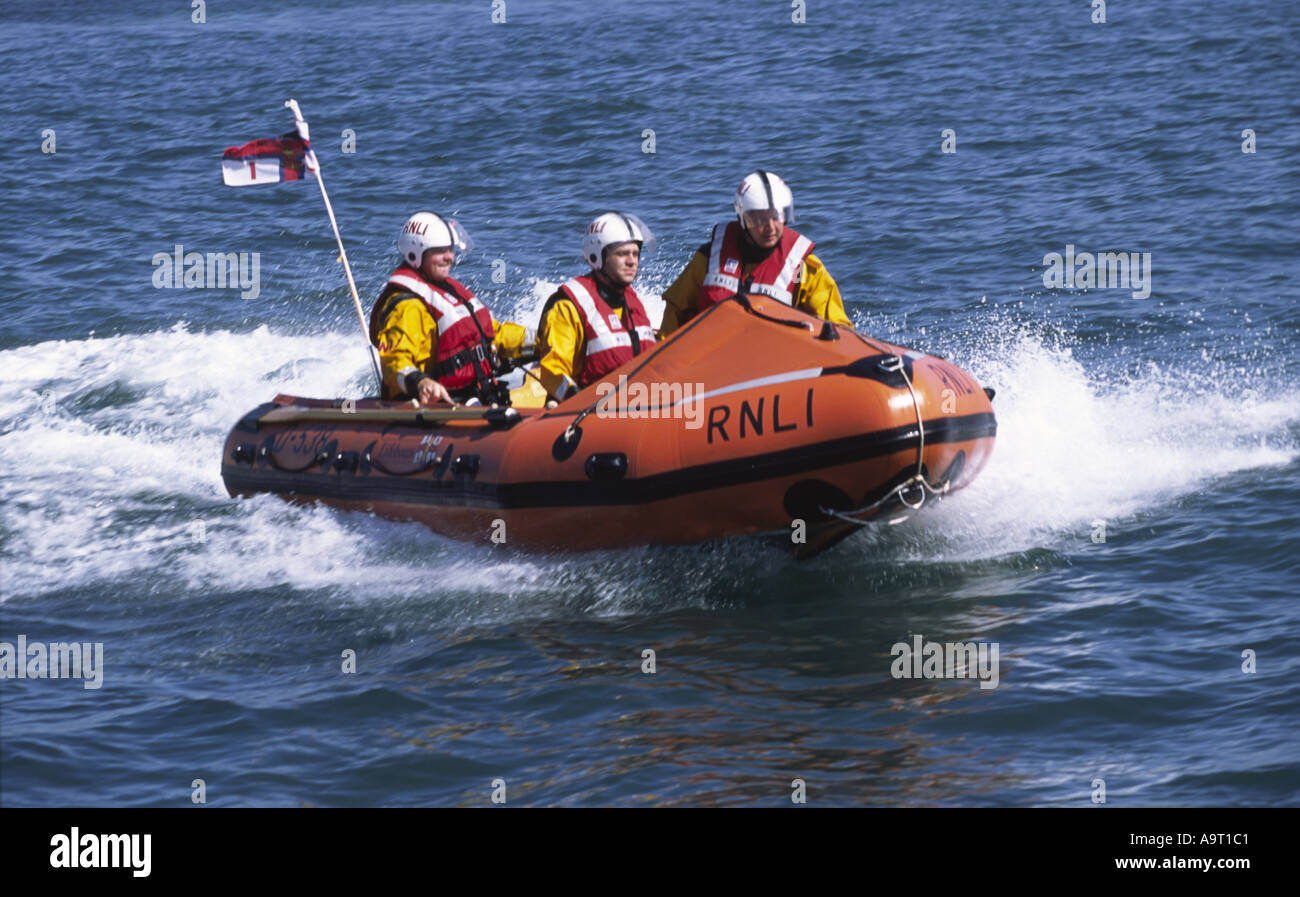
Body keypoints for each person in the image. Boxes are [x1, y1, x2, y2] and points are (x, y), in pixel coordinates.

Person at [659, 170, 852, 335]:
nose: (770, 227)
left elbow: (839, 328)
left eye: (776, 217)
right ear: (743, 221)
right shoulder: (709, 259)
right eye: (759, 219)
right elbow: (676, 309)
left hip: (772, 365)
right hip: (712, 359)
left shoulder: (803, 268)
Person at [369, 211, 527, 405]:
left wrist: (539, 339)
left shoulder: (448, 290)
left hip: (478, 394)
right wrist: (421, 382)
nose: (449, 257)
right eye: (440, 251)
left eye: (450, 249)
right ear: (415, 253)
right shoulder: (407, 307)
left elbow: (491, 336)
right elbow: (394, 363)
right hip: (440, 405)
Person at [535, 212, 658, 401]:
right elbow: (553, 371)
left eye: (635, 254)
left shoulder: (631, 301)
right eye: (622, 254)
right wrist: (575, 400)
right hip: (592, 412)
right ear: (597, 257)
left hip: (638, 406)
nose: (632, 261)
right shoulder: (568, 306)